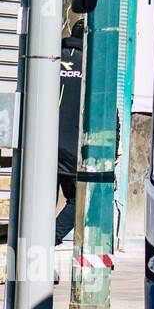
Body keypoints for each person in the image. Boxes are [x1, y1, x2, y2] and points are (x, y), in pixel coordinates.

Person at [54, 20, 84, 248]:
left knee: (42, 199)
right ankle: (51, 236)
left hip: (44, 142)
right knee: (79, 200)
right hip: (73, 147)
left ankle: (39, 239)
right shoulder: (92, 65)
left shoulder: (51, 58)